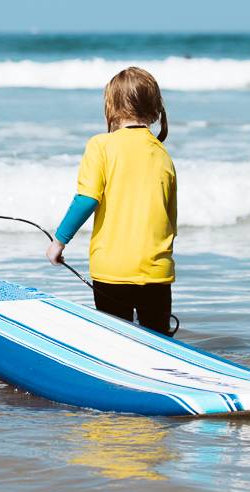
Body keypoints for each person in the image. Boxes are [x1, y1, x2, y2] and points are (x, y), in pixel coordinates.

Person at [47, 67, 177, 335]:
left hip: (112, 271)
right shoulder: (163, 154)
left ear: (111, 107)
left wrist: (58, 242)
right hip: (157, 271)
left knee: (116, 342)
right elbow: (170, 220)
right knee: (159, 344)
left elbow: (86, 199)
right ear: (154, 108)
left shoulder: (101, 146)